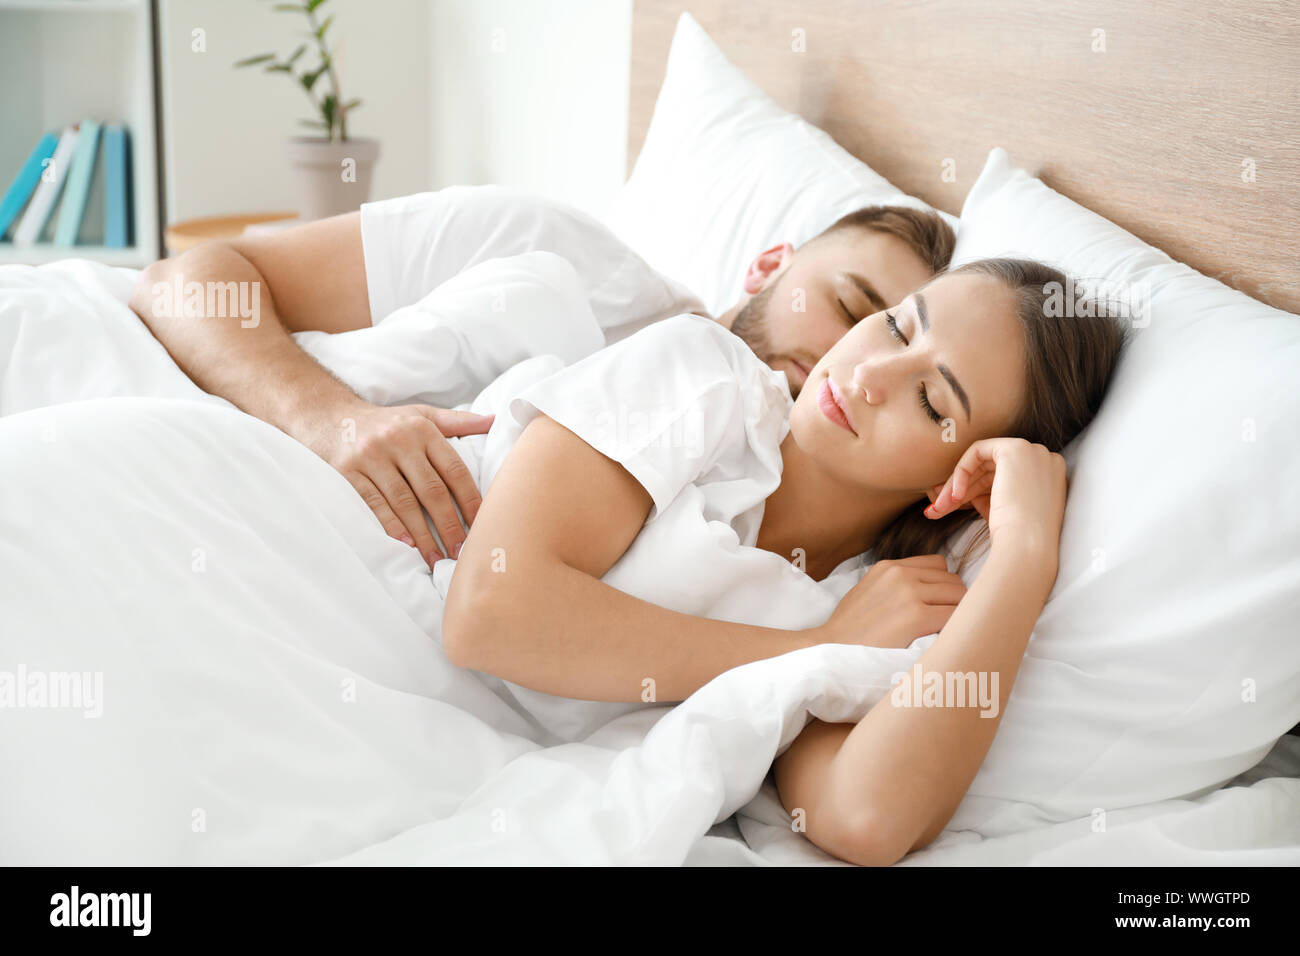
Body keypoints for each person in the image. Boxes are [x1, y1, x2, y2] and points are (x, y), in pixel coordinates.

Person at [437, 256, 1128, 865]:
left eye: (930, 399)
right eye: (895, 326)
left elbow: (862, 819)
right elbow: (490, 614)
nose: (870, 377)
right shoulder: (705, 376)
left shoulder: (881, 603)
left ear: (961, 479)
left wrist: (1023, 560)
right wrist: (812, 648)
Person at [129, 186, 953, 570]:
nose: (861, 366)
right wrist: (332, 419)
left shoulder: (793, 547)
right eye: (854, 310)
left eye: (917, 382)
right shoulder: (562, 254)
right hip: (167, 416)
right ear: (772, 265)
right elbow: (186, 280)